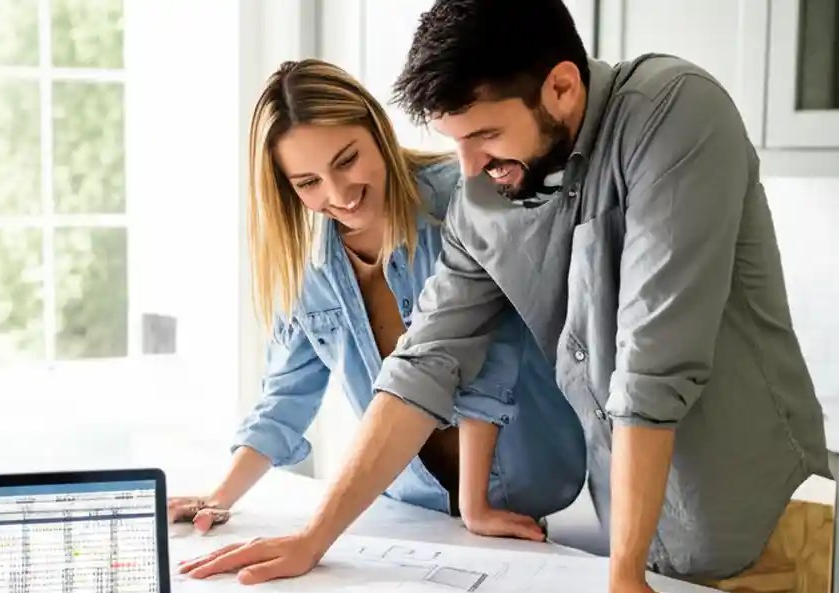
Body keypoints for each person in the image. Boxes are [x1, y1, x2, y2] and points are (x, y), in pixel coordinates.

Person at [179, 0, 831, 593]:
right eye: (456, 140)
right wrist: (312, 538)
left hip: (749, 513)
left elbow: (652, 355)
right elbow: (424, 362)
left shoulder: (675, 112)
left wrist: (625, 572)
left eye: (484, 136)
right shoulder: (489, 193)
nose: (466, 169)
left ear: (562, 88)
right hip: (637, 540)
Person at [168, 58, 586, 548]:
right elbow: (286, 396)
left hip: (513, 490)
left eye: (347, 160)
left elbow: (491, 353)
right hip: (414, 506)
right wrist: (220, 498)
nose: (339, 194)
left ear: (376, 129)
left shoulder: (463, 197)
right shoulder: (310, 266)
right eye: (308, 183)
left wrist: (475, 505)